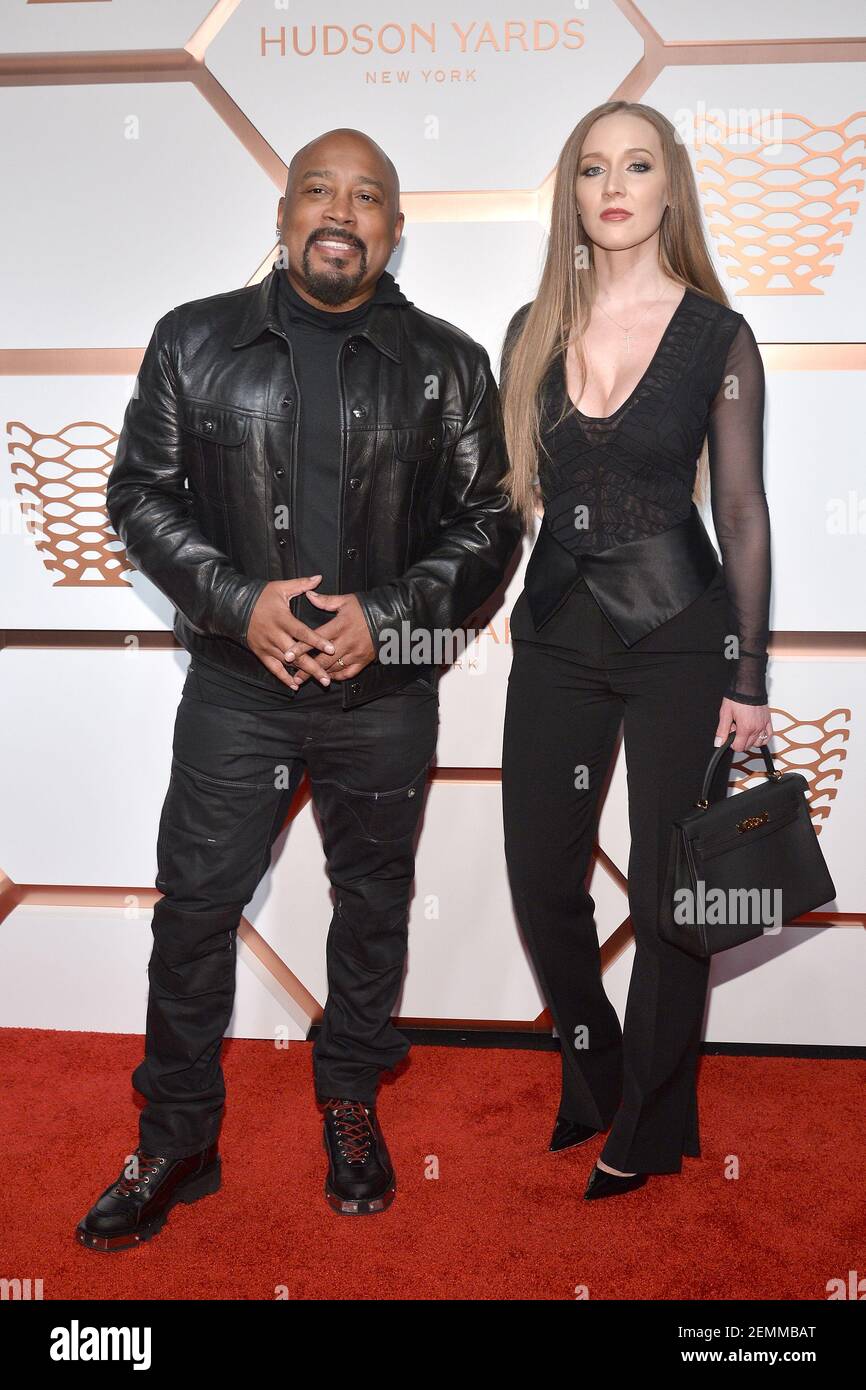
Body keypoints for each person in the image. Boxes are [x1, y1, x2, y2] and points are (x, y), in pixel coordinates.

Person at [77, 127, 521, 1249]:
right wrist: (237, 599)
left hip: (384, 694)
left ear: (393, 226)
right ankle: (177, 1134)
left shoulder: (451, 363)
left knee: (370, 909)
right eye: (318, 190)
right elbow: (139, 494)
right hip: (238, 687)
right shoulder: (194, 342)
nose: (341, 210)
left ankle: (350, 1100)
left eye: (366, 195)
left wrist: (385, 621)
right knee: (193, 913)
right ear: (282, 216)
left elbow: (488, 523)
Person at [499, 101, 772, 1200]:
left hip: (679, 638)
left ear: (669, 186)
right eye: (592, 168)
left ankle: (650, 1120)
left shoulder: (717, 335)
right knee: (537, 877)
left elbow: (743, 511)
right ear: (571, 194)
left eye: (637, 164)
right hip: (557, 635)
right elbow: (499, 501)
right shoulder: (528, 329)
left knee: (672, 894)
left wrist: (748, 677)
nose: (613, 184)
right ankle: (594, 1064)